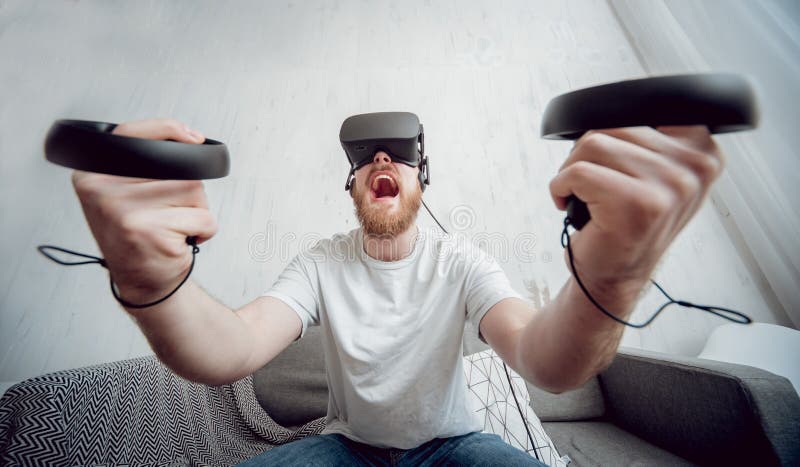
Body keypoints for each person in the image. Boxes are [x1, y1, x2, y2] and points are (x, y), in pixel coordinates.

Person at [71, 118, 725, 465]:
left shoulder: (463, 261)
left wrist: (609, 275)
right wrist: (152, 281)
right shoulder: (320, 264)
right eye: (366, 160)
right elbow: (229, 348)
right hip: (346, 449)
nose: (382, 162)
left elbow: (544, 358)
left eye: (399, 157)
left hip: (456, 447)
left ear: (421, 181)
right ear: (352, 187)